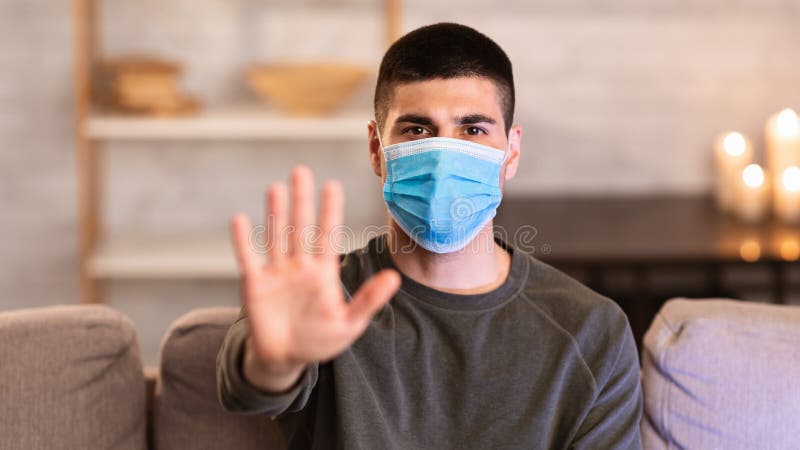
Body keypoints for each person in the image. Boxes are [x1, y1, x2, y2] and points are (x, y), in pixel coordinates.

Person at [217, 22, 643, 450]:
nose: (443, 159)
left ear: (510, 152)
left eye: (473, 130)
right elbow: (249, 384)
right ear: (375, 150)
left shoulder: (591, 330)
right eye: (417, 130)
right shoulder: (319, 300)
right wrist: (275, 364)